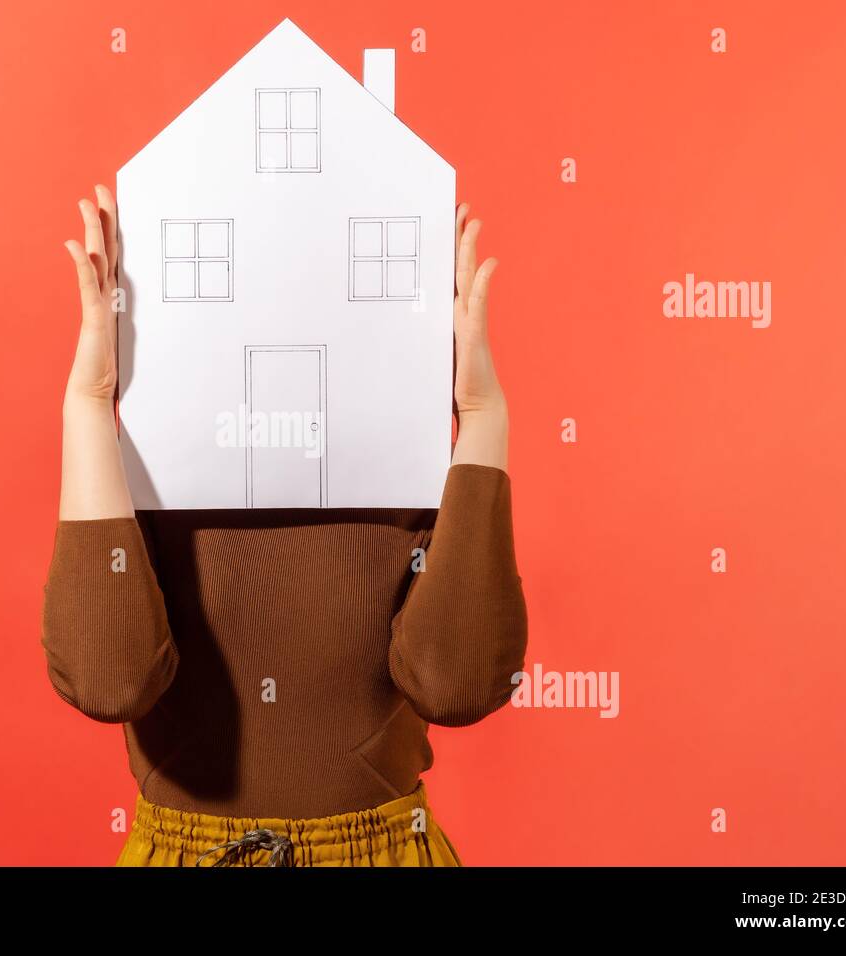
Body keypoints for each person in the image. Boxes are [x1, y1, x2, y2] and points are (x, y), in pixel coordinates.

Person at [42, 184, 527, 866]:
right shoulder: (156, 464)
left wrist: (481, 417)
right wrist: (89, 404)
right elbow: (109, 680)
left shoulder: (396, 458)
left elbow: (460, 684)